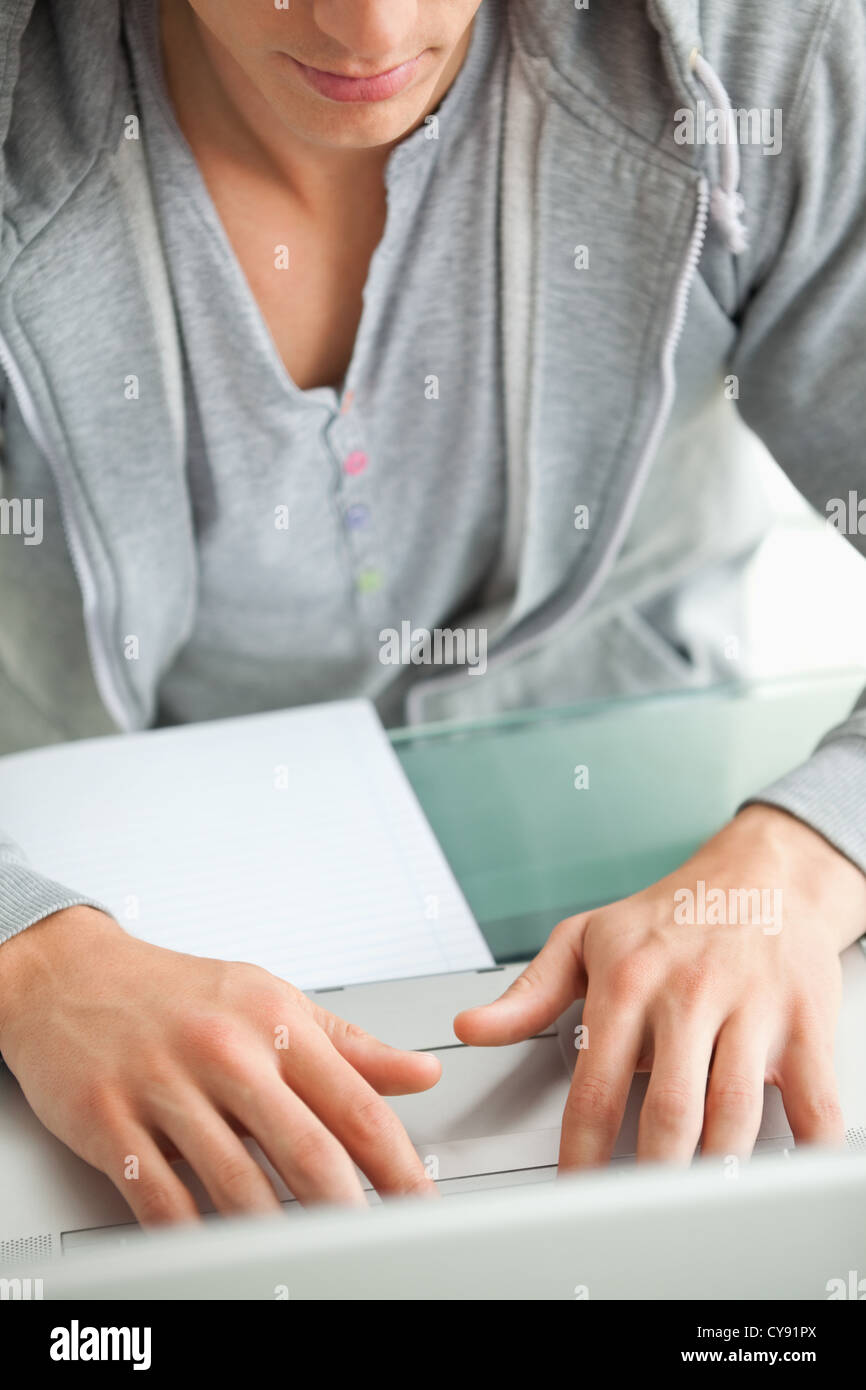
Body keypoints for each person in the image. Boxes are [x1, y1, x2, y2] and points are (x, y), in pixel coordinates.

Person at [0, 0, 864, 1225]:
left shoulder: (765, 47)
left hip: (644, 806)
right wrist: (29, 957)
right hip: (97, 881)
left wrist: (804, 855)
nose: (371, 29)